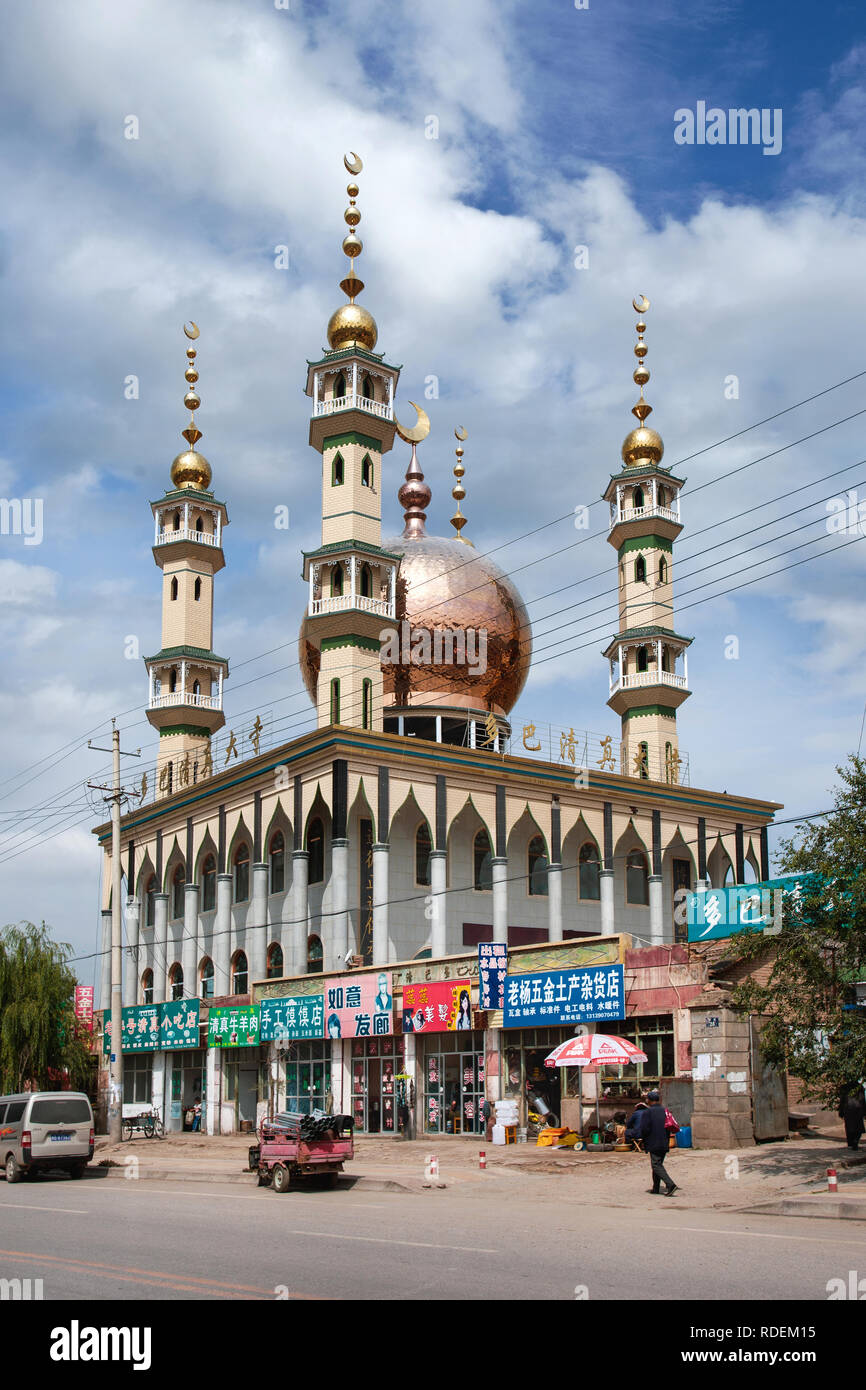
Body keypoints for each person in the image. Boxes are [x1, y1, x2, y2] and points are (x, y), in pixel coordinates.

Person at [637, 1090, 679, 1195]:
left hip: (653, 1142)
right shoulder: (665, 1110)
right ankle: (655, 1188)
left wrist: (642, 1139)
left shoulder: (647, 1112)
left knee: (656, 1165)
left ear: (649, 1101)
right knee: (658, 1164)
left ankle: (670, 1185)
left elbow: (645, 1129)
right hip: (664, 1141)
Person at [839, 1083, 866, 1150]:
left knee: (849, 1127)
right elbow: (862, 1098)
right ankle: (855, 1142)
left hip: (848, 1108)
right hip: (858, 1108)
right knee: (858, 1126)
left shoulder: (844, 1087)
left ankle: (851, 1143)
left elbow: (842, 1100)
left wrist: (841, 1111)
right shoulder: (859, 1086)